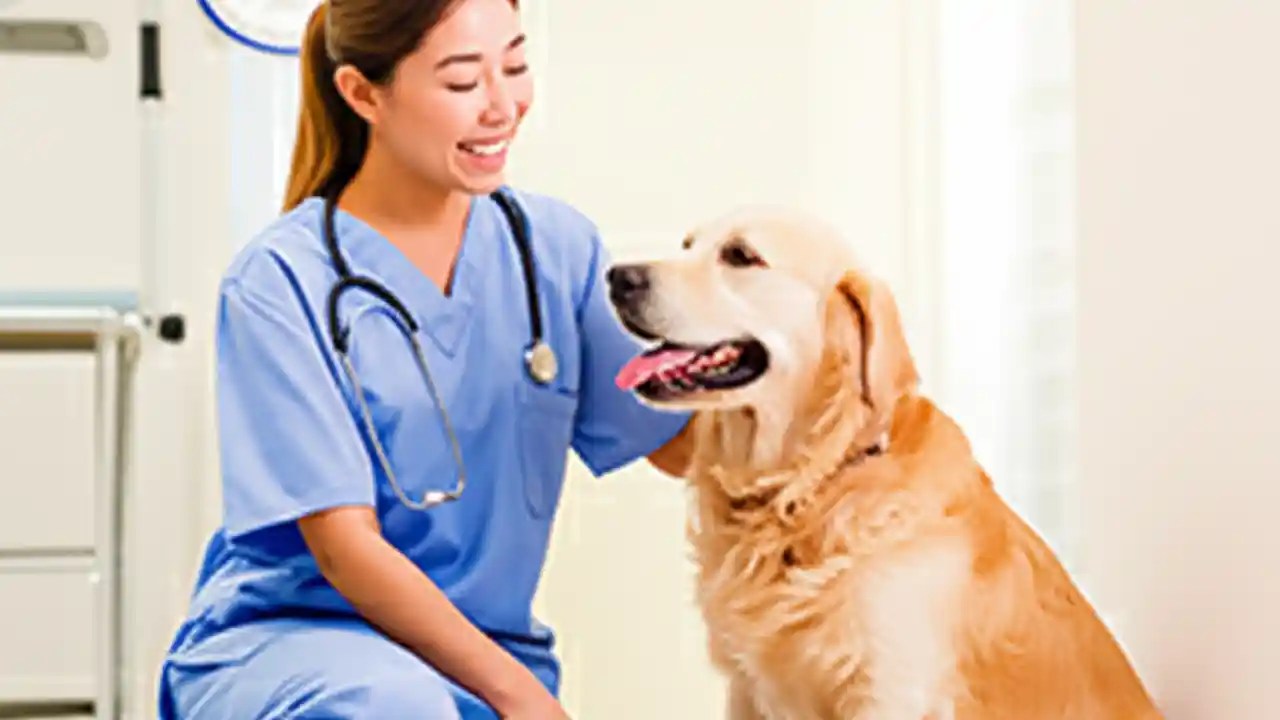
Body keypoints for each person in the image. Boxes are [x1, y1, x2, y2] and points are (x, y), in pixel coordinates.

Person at [155, 0, 693, 717]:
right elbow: (346, 550)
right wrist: (525, 702)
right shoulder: (283, 281)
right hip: (301, 648)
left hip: (479, 661)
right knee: (394, 702)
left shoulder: (555, 253)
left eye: (517, 66)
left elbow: (686, 448)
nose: (503, 106)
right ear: (362, 93)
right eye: (464, 81)